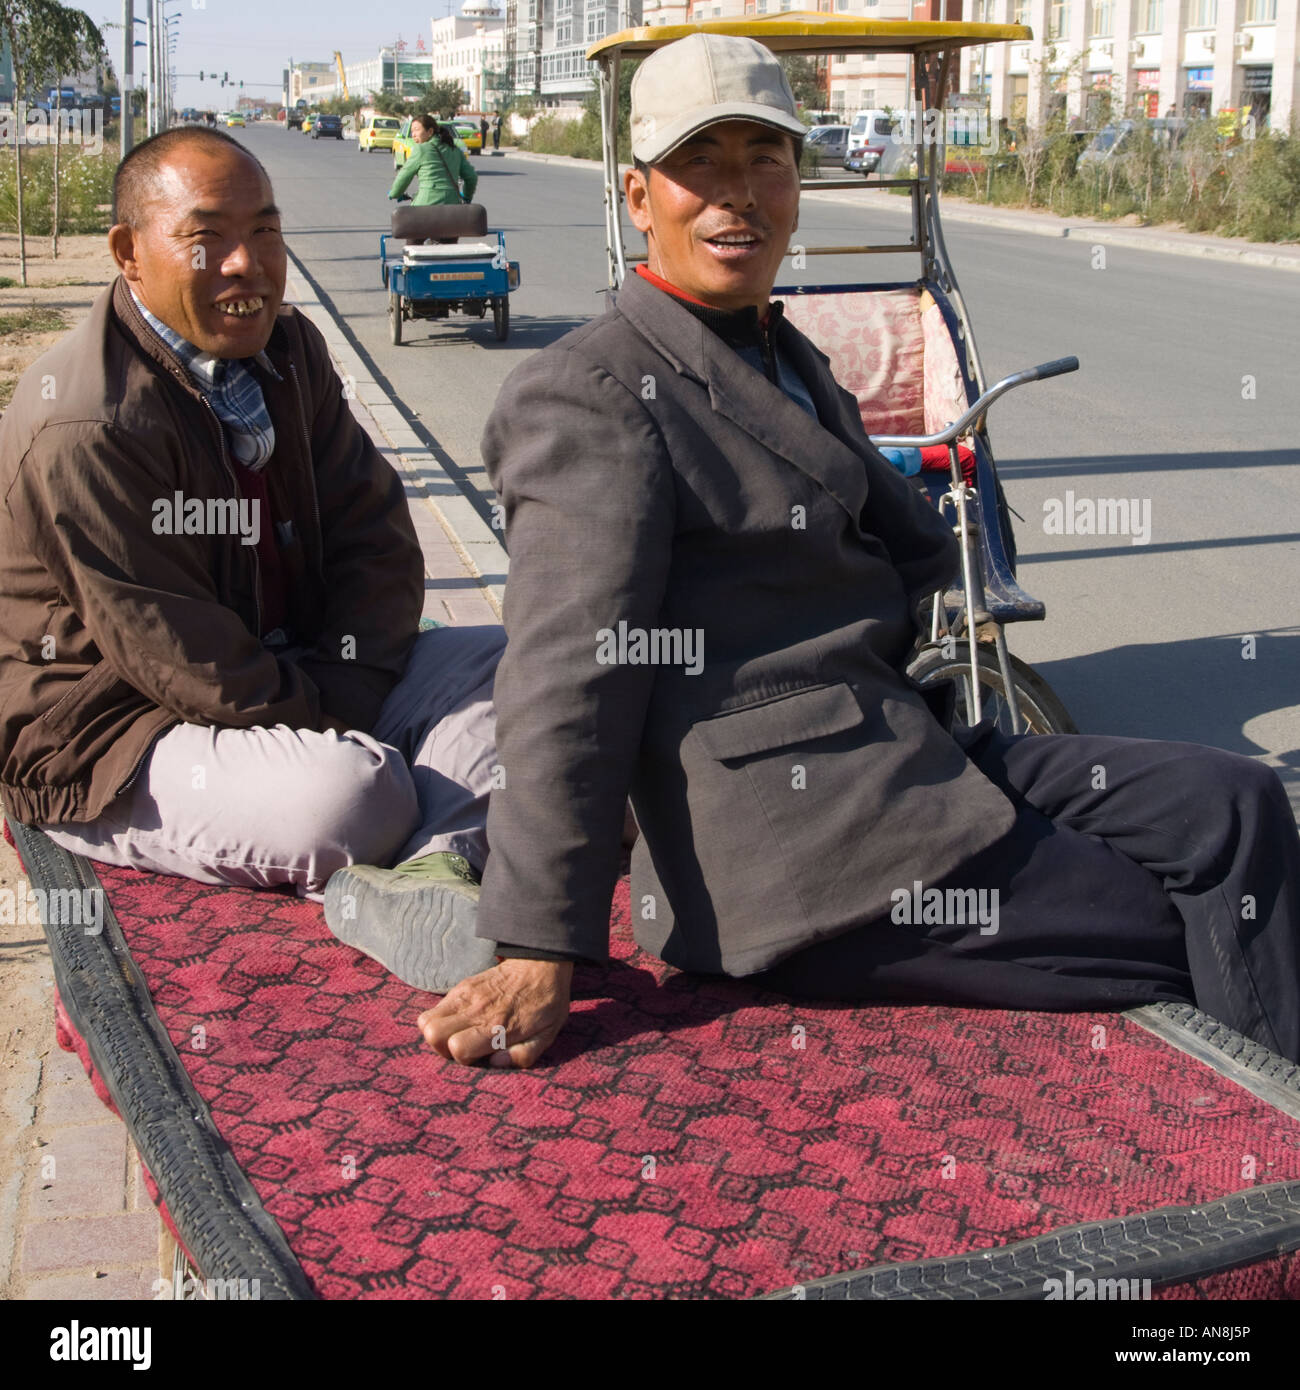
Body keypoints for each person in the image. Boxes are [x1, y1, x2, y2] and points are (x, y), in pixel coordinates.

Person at [414, 32, 1300, 1071]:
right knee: (1185, 915)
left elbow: (902, 535)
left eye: (765, 160)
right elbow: (567, 670)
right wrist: (534, 940)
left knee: (1234, 807)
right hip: (810, 855)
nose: (735, 195)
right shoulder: (592, 392)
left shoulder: (774, 346)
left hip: (908, 756)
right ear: (638, 194)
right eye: (701, 163)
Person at [0, 125, 503, 982]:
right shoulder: (88, 423)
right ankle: (440, 834)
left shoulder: (289, 353)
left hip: (296, 674)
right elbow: (175, 651)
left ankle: (428, 874)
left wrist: (348, 682)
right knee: (354, 795)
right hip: (112, 725)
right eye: (209, 238)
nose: (247, 264)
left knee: (519, 660)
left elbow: (374, 534)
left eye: (265, 232)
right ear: (129, 252)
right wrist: (339, 718)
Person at [388, 113, 477, 212]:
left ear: (430, 131)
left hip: (426, 206)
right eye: (412, 131)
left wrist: (394, 193)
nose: (413, 135)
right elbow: (471, 177)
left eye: (416, 130)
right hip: (453, 207)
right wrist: (466, 196)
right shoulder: (454, 150)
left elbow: (404, 175)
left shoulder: (421, 149)